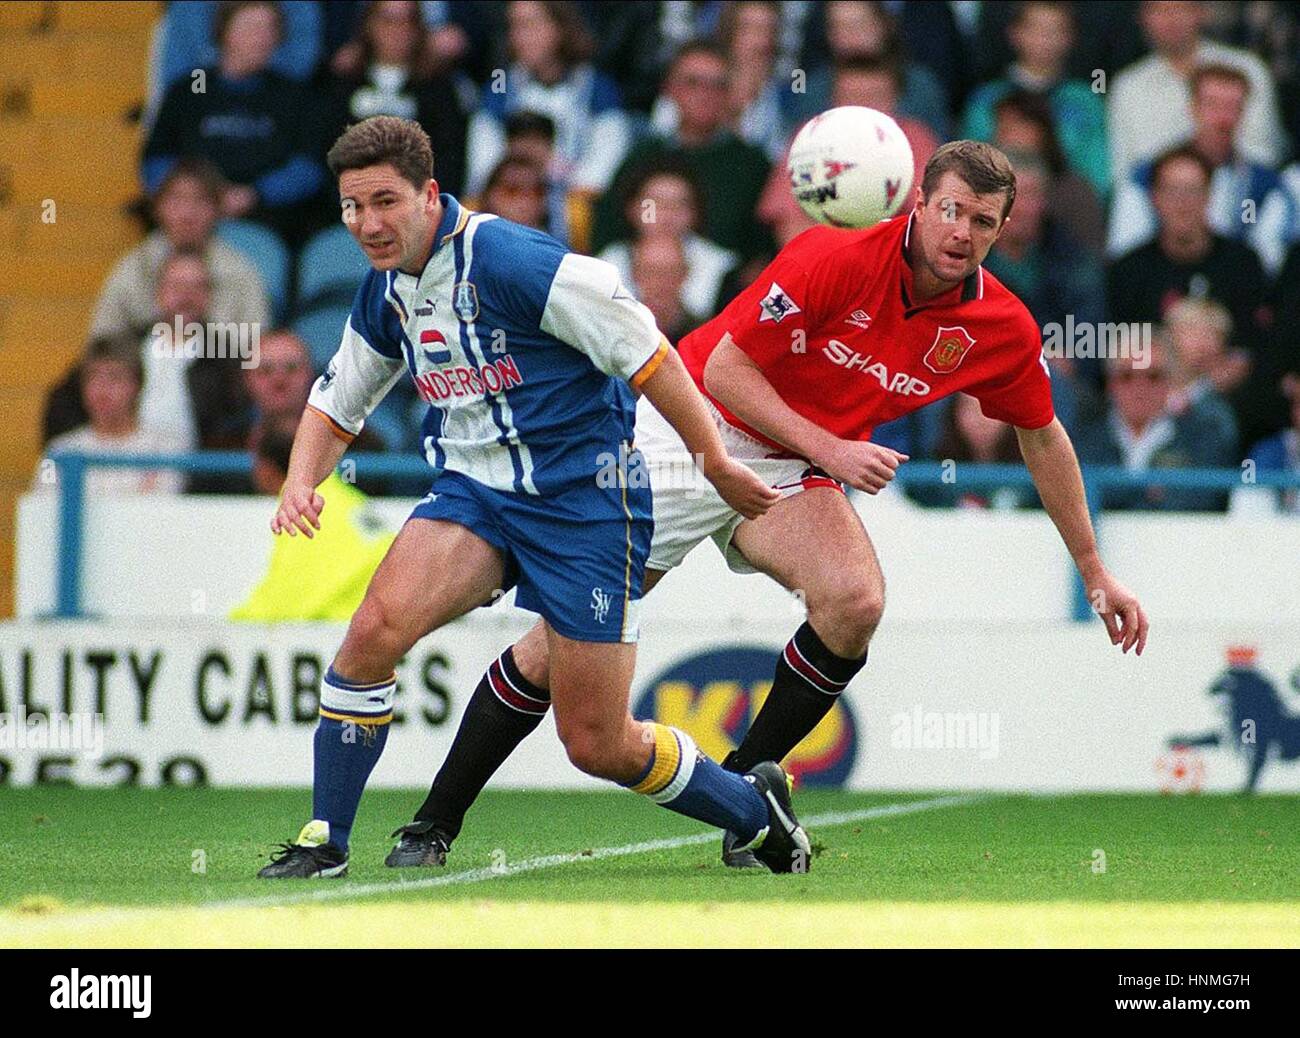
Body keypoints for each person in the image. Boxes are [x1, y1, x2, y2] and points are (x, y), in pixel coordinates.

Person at [389, 141, 1149, 873]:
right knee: (555, 652)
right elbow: (725, 370)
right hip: (686, 434)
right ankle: (433, 822)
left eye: (983, 222)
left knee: (854, 602)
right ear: (918, 204)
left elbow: (1042, 439)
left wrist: (1095, 570)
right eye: (951, 210)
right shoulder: (836, 255)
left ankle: (745, 790)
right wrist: (835, 448)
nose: (962, 233)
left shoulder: (1000, 325)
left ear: (1002, 228)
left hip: (794, 463)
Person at [256, 115, 807, 880]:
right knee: (372, 633)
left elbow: (648, 351)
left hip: (586, 506)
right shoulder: (386, 291)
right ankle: (325, 842)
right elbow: (337, 401)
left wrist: (711, 458)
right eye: (353, 207)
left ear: (429, 196)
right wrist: (297, 482)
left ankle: (753, 810)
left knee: (597, 743)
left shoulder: (513, 260)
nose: (368, 223)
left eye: (384, 201)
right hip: (477, 492)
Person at [142, 0, 331, 242]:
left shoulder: (293, 94)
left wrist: (256, 194)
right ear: (225, 32)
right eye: (252, 27)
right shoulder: (194, 86)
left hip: (268, 220)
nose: (263, 37)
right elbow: (156, 159)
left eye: (270, 28)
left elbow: (308, 168)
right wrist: (193, 196)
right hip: (190, 215)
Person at [592, 40, 773, 262]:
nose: (705, 94)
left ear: (730, 93)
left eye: (717, 84)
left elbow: (763, 254)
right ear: (669, 89)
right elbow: (606, 237)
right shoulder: (643, 157)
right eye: (693, 82)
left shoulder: (753, 165)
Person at [1108, 63, 1296, 273]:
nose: (1223, 118)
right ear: (1193, 108)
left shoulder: (1264, 185)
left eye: (1233, 106)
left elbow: (1268, 260)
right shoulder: (1145, 177)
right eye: (1213, 105)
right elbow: (1126, 250)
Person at [90, 159, 269, 343]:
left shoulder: (240, 272)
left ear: (217, 209)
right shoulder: (133, 269)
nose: (187, 214)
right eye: (176, 200)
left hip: (220, 369)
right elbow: (103, 345)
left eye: (200, 201)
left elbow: (257, 351)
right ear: (158, 207)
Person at [464, 0, 630, 199]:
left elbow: (604, 168)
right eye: (514, 27)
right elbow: (482, 169)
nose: (519, 37)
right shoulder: (500, 87)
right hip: (513, 205)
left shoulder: (597, 88)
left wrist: (557, 174)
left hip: (576, 208)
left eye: (529, 25)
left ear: (560, 27)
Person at [1108, 0, 1285, 182]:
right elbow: (1124, 170)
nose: (1171, 19)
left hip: (1243, 195)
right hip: (1153, 201)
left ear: (1201, 12)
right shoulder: (1127, 85)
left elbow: (1264, 152)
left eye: (1181, 8)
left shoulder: (1248, 68)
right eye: (1159, 10)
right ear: (1142, 18)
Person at [961, 1, 1109, 199]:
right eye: (1036, 29)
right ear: (1015, 34)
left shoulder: (1085, 101)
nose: (1046, 40)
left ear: (1070, 37)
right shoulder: (986, 100)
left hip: (1067, 208)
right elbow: (970, 167)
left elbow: (1098, 176)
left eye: (1055, 30)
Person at [323, 0, 469, 197]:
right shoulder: (344, 84)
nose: (397, 30)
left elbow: (449, 161)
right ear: (369, 25)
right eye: (388, 20)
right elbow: (326, 155)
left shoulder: (439, 89)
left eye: (406, 21)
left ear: (418, 29)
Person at [1074, 335, 1238, 511]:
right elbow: (1068, 498)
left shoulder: (1203, 439)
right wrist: (1148, 491)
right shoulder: (1081, 440)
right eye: (1127, 376)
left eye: (1153, 376)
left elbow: (1202, 500)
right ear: (1110, 383)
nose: (1139, 387)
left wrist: (1113, 492)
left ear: (1170, 381)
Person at [35, 336, 185, 496]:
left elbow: (161, 506)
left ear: (137, 385)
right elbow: (44, 505)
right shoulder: (58, 452)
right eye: (93, 377)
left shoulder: (166, 449)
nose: (102, 388)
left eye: (115, 377)